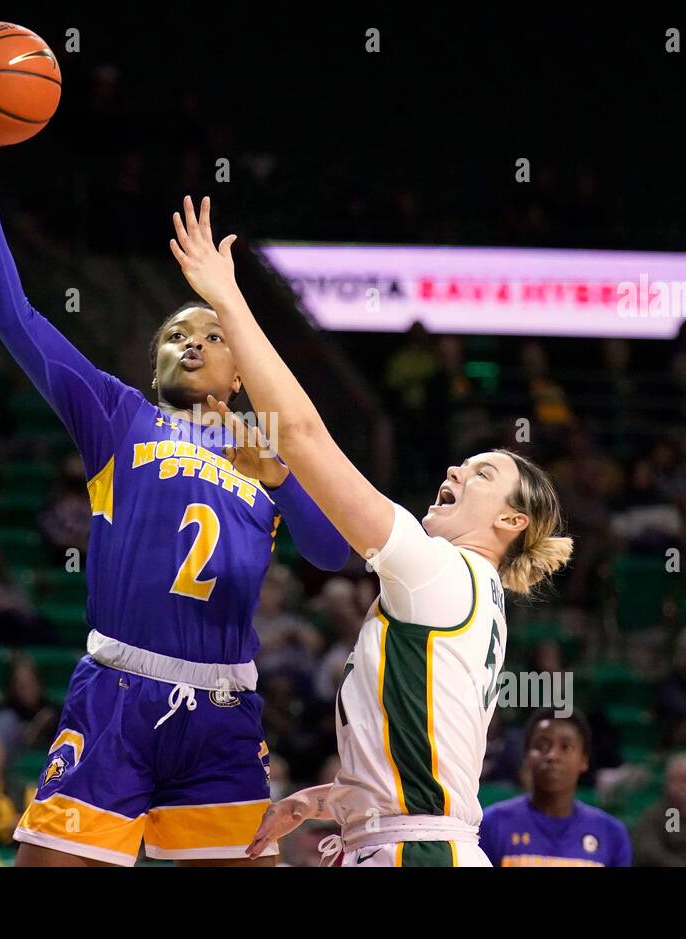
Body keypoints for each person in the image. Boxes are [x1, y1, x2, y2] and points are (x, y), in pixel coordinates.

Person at [0, 92, 349, 867]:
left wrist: (282, 477)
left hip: (224, 711)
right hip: (118, 695)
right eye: (174, 332)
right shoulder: (116, 415)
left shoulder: (267, 448)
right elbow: (14, 316)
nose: (190, 339)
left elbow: (333, 554)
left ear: (241, 365)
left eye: (211, 332)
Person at [167, 195, 572, 867]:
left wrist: (227, 302)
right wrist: (329, 798)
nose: (455, 469)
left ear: (510, 520)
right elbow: (423, 758)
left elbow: (298, 435)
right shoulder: (468, 597)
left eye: (481, 472)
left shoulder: (441, 572)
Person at [478, 710, 631, 866]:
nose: (552, 756)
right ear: (526, 757)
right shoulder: (492, 824)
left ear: (584, 760)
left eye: (566, 747)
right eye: (542, 746)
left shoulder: (612, 834)